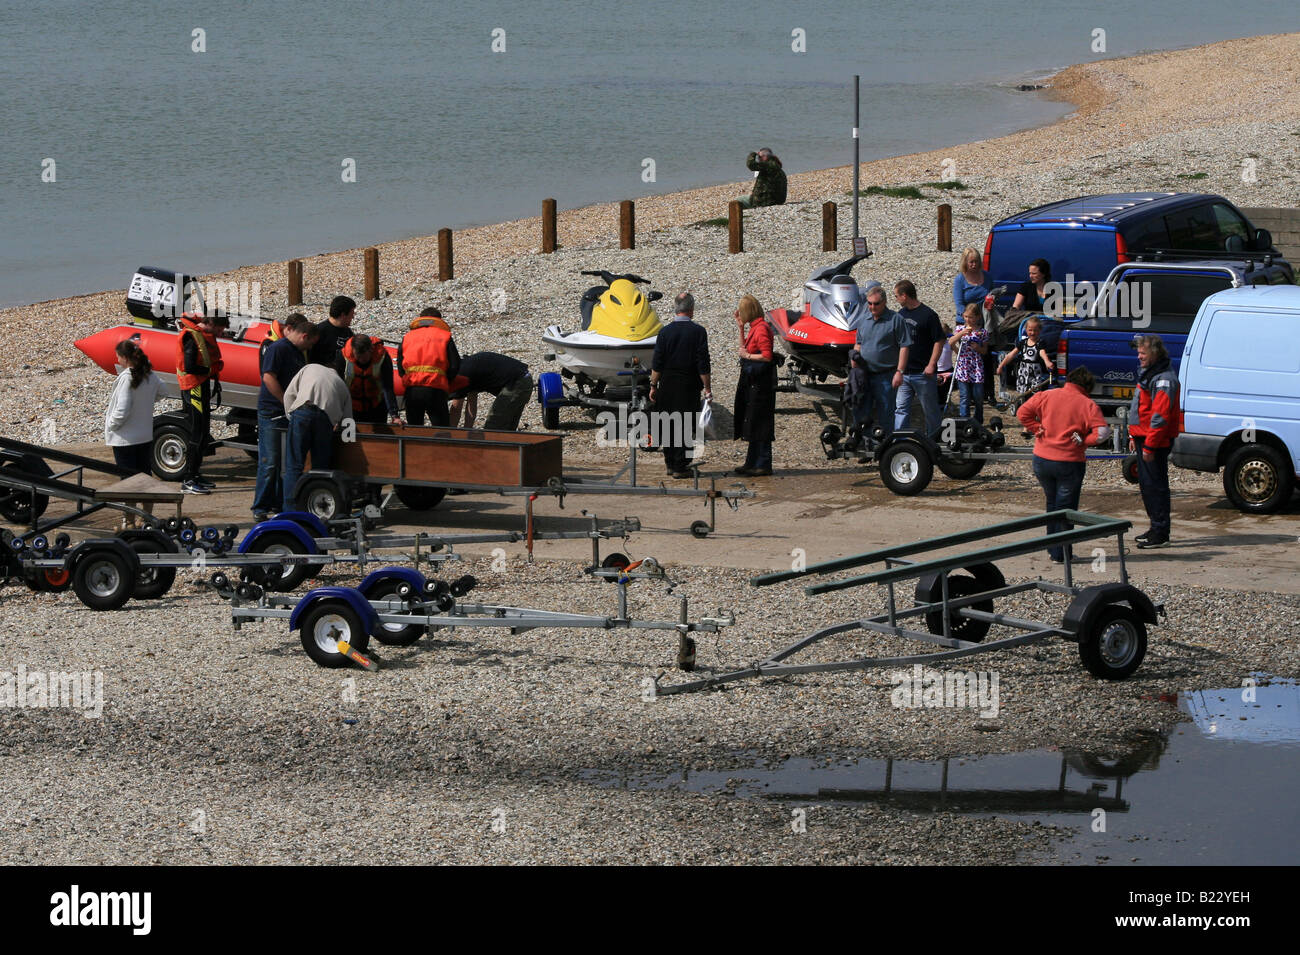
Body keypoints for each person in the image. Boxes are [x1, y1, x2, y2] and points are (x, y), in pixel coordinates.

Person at [1017, 366, 1110, 562]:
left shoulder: (1047, 395)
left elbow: (1022, 412)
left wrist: (1036, 428)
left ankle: (1053, 550)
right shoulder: (1087, 404)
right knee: (1066, 509)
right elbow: (1102, 433)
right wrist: (1086, 441)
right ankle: (1062, 553)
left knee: (1052, 505)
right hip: (1069, 461)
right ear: (1087, 386)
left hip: (1042, 459)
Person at [253, 314, 317, 519]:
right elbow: (268, 377)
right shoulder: (277, 348)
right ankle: (260, 507)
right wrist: (285, 401)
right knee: (270, 461)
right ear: (304, 336)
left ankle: (279, 504)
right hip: (272, 411)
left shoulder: (297, 352)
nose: (309, 349)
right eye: (309, 344)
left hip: (288, 411)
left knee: (285, 462)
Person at [649, 292, 712, 478]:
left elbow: (657, 362)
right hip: (688, 385)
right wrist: (707, 387)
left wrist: (653, 385)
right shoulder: (698, 331)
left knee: (668, 423)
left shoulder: (665, 332)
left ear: (676, 309)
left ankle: (670, 463)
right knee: (685, 424)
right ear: (691, 310)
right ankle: (681, 465)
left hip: (667, 384)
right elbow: (703, 362)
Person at [1129, 334, 1183, 548]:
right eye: (1138, 352)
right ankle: (1155, 527)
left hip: (1155, 442)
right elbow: (1142, 408)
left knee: (1155, 486)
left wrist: (1150, 445)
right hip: (1145, 437)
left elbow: (1160, 416)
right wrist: (1135, 435)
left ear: (1154, 354)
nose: (1139, 356)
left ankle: (1160, 532)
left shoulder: (1163, 379)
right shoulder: (1151, 373)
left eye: (1142, 353)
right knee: (1148, 485)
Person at [281, 362, 353, 511]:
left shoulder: (309, 368)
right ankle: (316, 507)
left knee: (294, 466)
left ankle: (290, 510)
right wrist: (347, 440)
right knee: (320, 469)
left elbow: (289, 394)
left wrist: (291, 417)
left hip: (301, 412)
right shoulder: (342, 385)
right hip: (324, 420)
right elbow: (348, 421)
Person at [105, 339, 161, 528]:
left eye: (118, 356)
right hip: (144, 435)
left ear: (125, 358)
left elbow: (122, 409)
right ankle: (146, 517)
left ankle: (128, 520)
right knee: (144, 477)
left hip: (125, 438)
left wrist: (112, 425)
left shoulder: (128, 377)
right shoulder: (149, 375)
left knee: (128, 481)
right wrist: (146, 403)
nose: (117, 359)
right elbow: (164, 392)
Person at [849, 287, 910, 446]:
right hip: (865, 374)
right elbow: (859, 343)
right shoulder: (864, 320)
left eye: (876, 304)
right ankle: (867, 446)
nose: (872, 307)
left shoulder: (895, 319)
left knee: (886, 414)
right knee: (863, 411)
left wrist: (900, 371)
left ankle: (886, 448)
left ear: (884, 302)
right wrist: (854, 361)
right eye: (869, 304)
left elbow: (904, 346)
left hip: (886, 375)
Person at [175, 311, 228, 494]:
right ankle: (188, 479)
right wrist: (210, 369)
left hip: (202, 385)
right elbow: (190, 366)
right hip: (193, 387)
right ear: (212, 324)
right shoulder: (191, 336)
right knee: (197, 433)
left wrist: (211, 373)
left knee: (204, 432)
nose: (221, 333)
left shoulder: (202, 335)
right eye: (220, 329)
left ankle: (196, 474)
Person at [892, 280, 944, 436]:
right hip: (904, 372)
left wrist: (932, 364)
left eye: (896, 296)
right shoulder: (900, 315)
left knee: (930, 409)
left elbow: (939, 340)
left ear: (904, 295)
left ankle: (933, 440)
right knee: (901, 409)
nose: (896, 299)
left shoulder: (928, 315)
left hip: (923, 373)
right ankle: (900, 441)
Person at [731, 294, 776, 476]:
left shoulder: (761, 329)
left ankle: (763, 463)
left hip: (761, 383)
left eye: (742, 312)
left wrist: (748, 357)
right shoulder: (755, 327)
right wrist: (741, 328)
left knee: (761, 422)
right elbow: (745, 349)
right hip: (754, 383)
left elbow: (767, 355)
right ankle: (752, 462)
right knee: (753, 420)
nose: (740, 315)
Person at [398, 308, 461, 427]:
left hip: (412, 389)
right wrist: (446, 381)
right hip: (436, 389)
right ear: (439, 320)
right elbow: (455, 365)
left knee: (415, 429)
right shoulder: (445, 336)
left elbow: (401, 367)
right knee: (441, 429)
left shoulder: (407, 337)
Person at [447, 352, 533, 431]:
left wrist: (450, 435)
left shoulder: (461, 375)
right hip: (525, 379)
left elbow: (456, 409)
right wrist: (467, 431)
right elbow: (471, 406)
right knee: (508, 429)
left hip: (516, 383)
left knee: (492, 428)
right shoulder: (469, 369)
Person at [334, 334, 401, 426]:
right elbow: (337, 387)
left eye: (364, 357)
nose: (361, 360)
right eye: (358, 356)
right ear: (353, 351)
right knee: (350, 438)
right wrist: (337, 414)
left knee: (378, 438)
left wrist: (394, 415)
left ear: (371, 350)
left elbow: (388, 386)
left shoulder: (383, 357)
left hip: (376, 405)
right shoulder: (342, 357)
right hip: (352, 406)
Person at [996, 315, 1054, 410]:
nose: (1032, 332)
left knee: (1035, 393)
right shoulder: (1022, 343)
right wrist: (1001, 365)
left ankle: (1034, 410)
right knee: (1023, 393)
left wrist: (1047, 362)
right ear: (1026, 330)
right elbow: (1011, 355)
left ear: (1039, 331)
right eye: (1030, 330)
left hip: (1035, 373)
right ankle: (1025, 410)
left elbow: (1042, 353)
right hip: (1023, 371)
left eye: (1035, 330)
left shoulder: (1040, 343)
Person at [949, 303, 989, 422]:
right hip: (963, 366)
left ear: (977, 317)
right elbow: (951, 342)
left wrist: (978, 348)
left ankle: (978, 420)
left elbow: (985, 351)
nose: (968, 319)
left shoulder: (982, 332)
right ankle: (964, 420)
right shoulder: (960, 329)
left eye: (971, 317)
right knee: (964, 396)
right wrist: (961, 336)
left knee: (978, 396)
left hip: (976, 366)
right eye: (965, 316)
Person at [309, 295, 356, 367]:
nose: (353, 317)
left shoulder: (347, 332)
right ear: (343, 315)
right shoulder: (319, 332)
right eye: (352, 314)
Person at [952, 247, 989, 325]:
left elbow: (992, 294)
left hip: (984, 320)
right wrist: (969, 318)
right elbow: (959, 304)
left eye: (976, 261)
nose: (974, 265)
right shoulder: (960, 279)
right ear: (965, 262)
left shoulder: (987, 277)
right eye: (971, 262)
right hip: (965, 321)